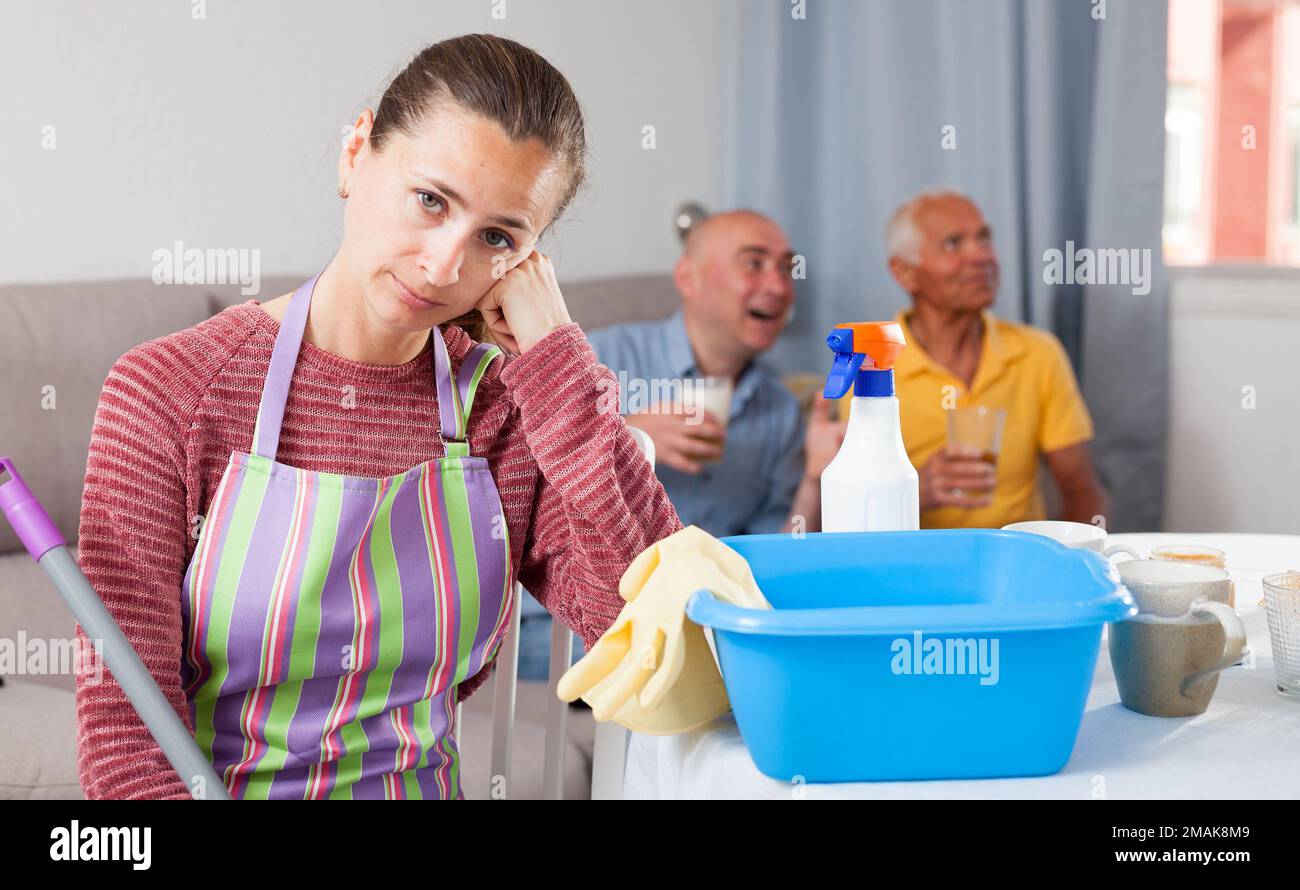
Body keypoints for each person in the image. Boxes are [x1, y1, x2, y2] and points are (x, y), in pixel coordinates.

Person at [73, 34, 680, 800]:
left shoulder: (501, 409)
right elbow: (124, 732)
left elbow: (657, 631)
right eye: (431, 200)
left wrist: (557, 361)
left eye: (496, 237)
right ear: (356, 152)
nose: (443, 266)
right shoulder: (171, 392)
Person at [516, 210, 841, 681]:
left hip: (689, 622)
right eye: (754, 263)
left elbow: (773, 560)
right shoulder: (597, 356)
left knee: (786, 657)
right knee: (718, 669)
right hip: (562, 624)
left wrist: (816, 478)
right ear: (688, 278)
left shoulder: (780, 411)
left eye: (787, 268)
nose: (779, 285)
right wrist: (625, 433)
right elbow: (507, 474)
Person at [861, 188, 1109, 529]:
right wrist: (915, 490)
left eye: (984, 239)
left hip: (1014, 564)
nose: (982, 257)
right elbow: (856, 509)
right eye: (953, 244)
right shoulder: (872, 360)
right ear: (905, 272)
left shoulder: (1038, 353)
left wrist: (1083, 561)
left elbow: (1081, 487)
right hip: (912, 566)